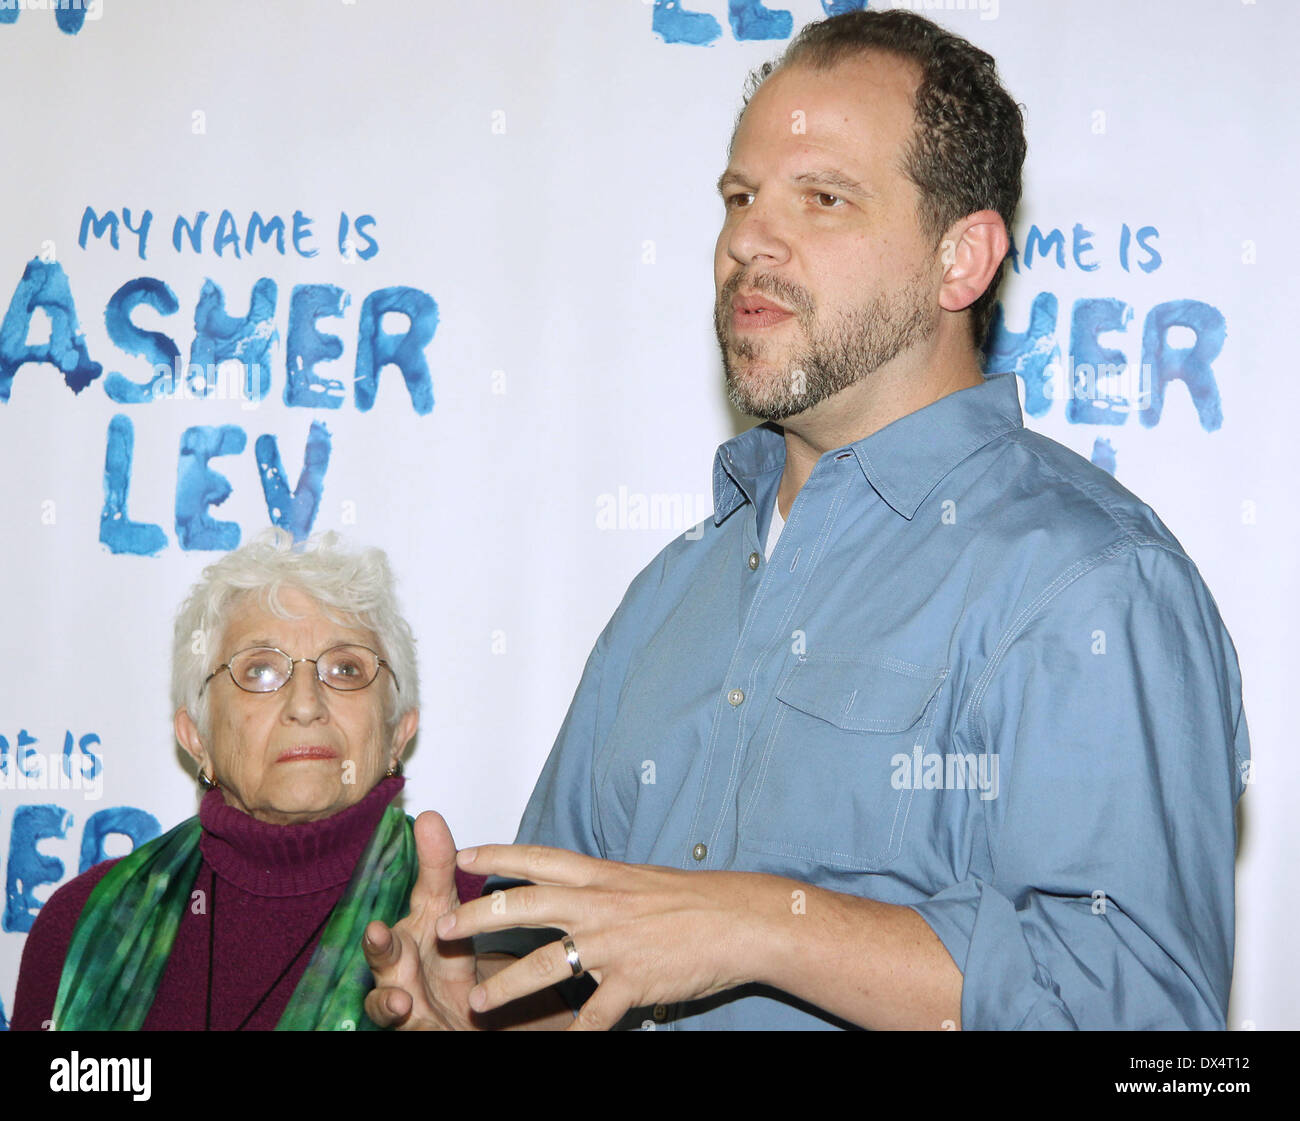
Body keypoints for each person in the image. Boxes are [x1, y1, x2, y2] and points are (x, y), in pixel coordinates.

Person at [363, 10, 1249, 1031]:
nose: (747, 238)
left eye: (821, 197)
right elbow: (576, 977)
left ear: (960, 259)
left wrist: (761, 923)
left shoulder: (1090, 582)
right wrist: (477, 1015)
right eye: (739, 198)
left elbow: (1151, 1031)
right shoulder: (673, 589)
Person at [11, 530, 483, 1030]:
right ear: (196, 737)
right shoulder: (85, 927)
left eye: (345, 669)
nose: (305, 705)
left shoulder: (480, 925)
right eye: (259, 670)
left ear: (398, 732)